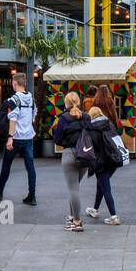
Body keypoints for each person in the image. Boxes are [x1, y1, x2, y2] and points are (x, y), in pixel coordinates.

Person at [0, 72, 38, 205]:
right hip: (28, 137)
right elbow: (33, 117)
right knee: (30, 167)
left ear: (15, 84)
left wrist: (10, 138)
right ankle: (32, 196)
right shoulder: (32, 99)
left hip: (15, 138)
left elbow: (12, 120)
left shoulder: (13, 100)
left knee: (6, 165)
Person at [52, 91, 88, 231]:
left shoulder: (64, 118)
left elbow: (57, 139)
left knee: (73, 189)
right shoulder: (86, 117)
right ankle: (72, 217)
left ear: (66, 103)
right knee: (75, 187)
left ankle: (77, 221)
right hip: (85, 155)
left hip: (70, 154)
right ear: (78, 102)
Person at [82, 106, 122, 225]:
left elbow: (89, 147)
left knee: (106, 189)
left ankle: (114, 216)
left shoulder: (91, 129)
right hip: (113, 160)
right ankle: (95, 209)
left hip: (101, 162)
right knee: (101, 185)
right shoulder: (110, 125)